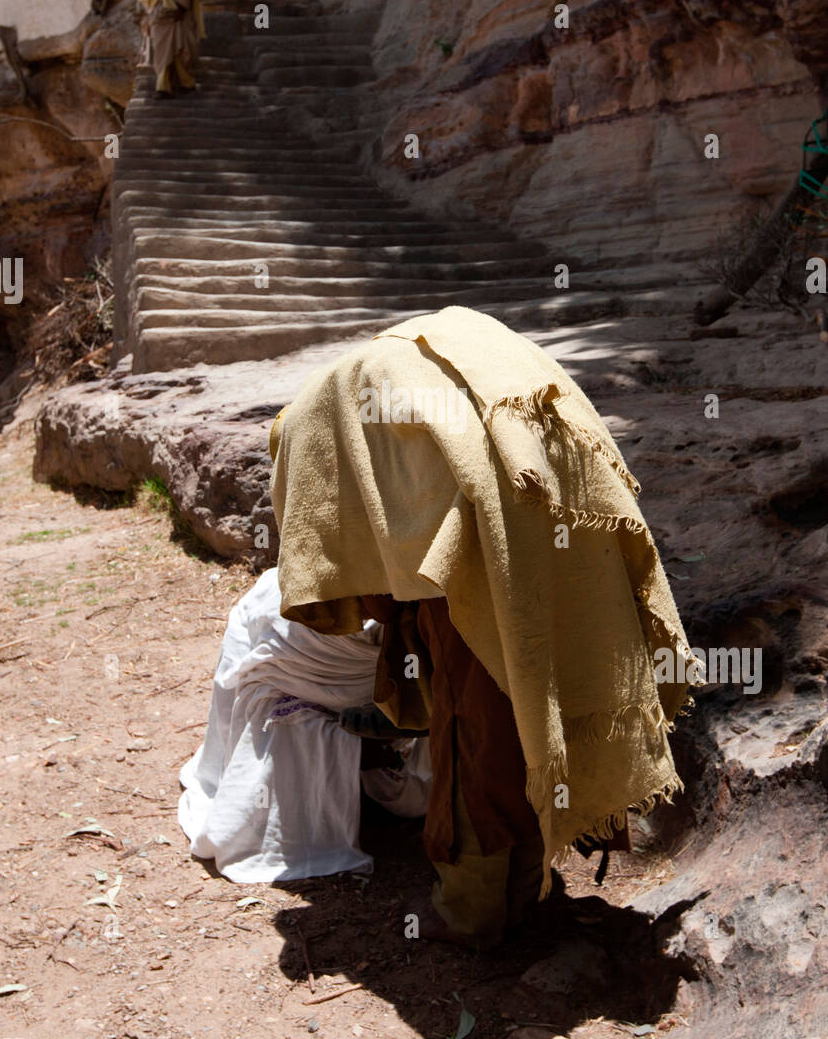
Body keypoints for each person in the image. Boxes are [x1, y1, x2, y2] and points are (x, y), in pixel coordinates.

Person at [269, 306, 699, 949]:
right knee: (532, 708)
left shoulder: (314, 422)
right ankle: (524, 887)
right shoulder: (409, 367)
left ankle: (472, 912)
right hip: (568, 510)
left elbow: (339, 542)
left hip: (493, 534)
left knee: (474, 727)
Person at [178, 566, 430, 883]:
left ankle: (357, 761)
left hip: (367, 666)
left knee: (412, 791)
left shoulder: (418, 614)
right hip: (303, 668)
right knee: (283, 735)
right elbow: (380, 605)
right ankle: (342, 766)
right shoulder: (289, 632)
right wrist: (357, 749)